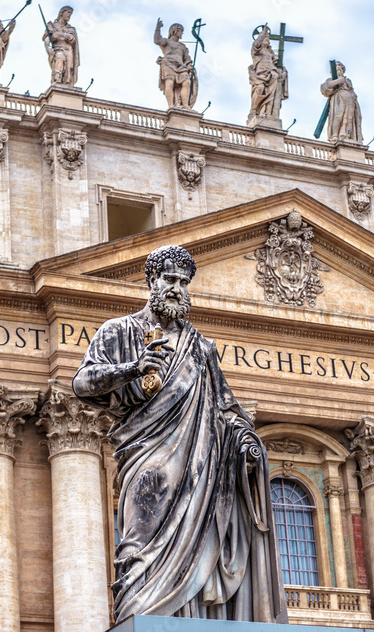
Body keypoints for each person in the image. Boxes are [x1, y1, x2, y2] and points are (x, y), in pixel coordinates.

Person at [73, 245, 288, 624]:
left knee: (196, 544)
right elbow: (83, 383)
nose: (176, 289)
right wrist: (133, 369)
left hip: (199, 468)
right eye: (169, 280)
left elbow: (225, 409)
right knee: (138, 550)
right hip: (146, 459)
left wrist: (244, 442)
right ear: (151, 282)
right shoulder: (120, 331)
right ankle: (137, 619)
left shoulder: (201, 348)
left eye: (183, 283)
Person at [248, 25, 287, 125]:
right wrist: (262, 34)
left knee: (272, 95)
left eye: (268, 39)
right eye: (266, 39)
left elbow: (277, 63)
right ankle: (254, 111)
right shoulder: (257, 51)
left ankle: (268, 114)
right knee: (260, 89)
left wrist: (282, 70)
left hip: (272, 75)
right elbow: (256, 44)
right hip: (260, 75)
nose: (267, 40)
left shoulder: (270, 53)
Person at [154, 20, 198, 109]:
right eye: (181, 31)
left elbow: (187, 60)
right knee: (169, 83)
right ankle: (171, 105)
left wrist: (190, 68)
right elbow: (157, 40)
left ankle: (185, 104)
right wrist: (158, 29)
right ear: (175, 31)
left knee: (187, 82)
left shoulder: (182, 47)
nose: (182, 34)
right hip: (168, 64)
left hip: (181, 67)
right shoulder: (166, 42)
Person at [320, 61, 363, 143]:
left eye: (339, 65)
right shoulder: (331, 79)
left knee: (349, 118)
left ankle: (346, 135)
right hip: (339, 97)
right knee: (339, 115)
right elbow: (325, 87)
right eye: (336, 66)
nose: (338, 67)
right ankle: (335, 135)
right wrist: (339, 81)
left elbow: (352, 90)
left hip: (350, 99)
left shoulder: (348, 81)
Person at [44, 6, 79, 87]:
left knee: (69, 69)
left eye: (71, 14)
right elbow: (47, 39)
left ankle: (66, 86)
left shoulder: (71, 29)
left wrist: (60, 34)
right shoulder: (52, 25)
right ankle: (57, 81)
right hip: (58, 49)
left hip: (69, 51)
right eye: (68, 13)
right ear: (62, 13)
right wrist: (47, 48)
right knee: (60, 59)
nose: (69, 15)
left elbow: (73, 40)